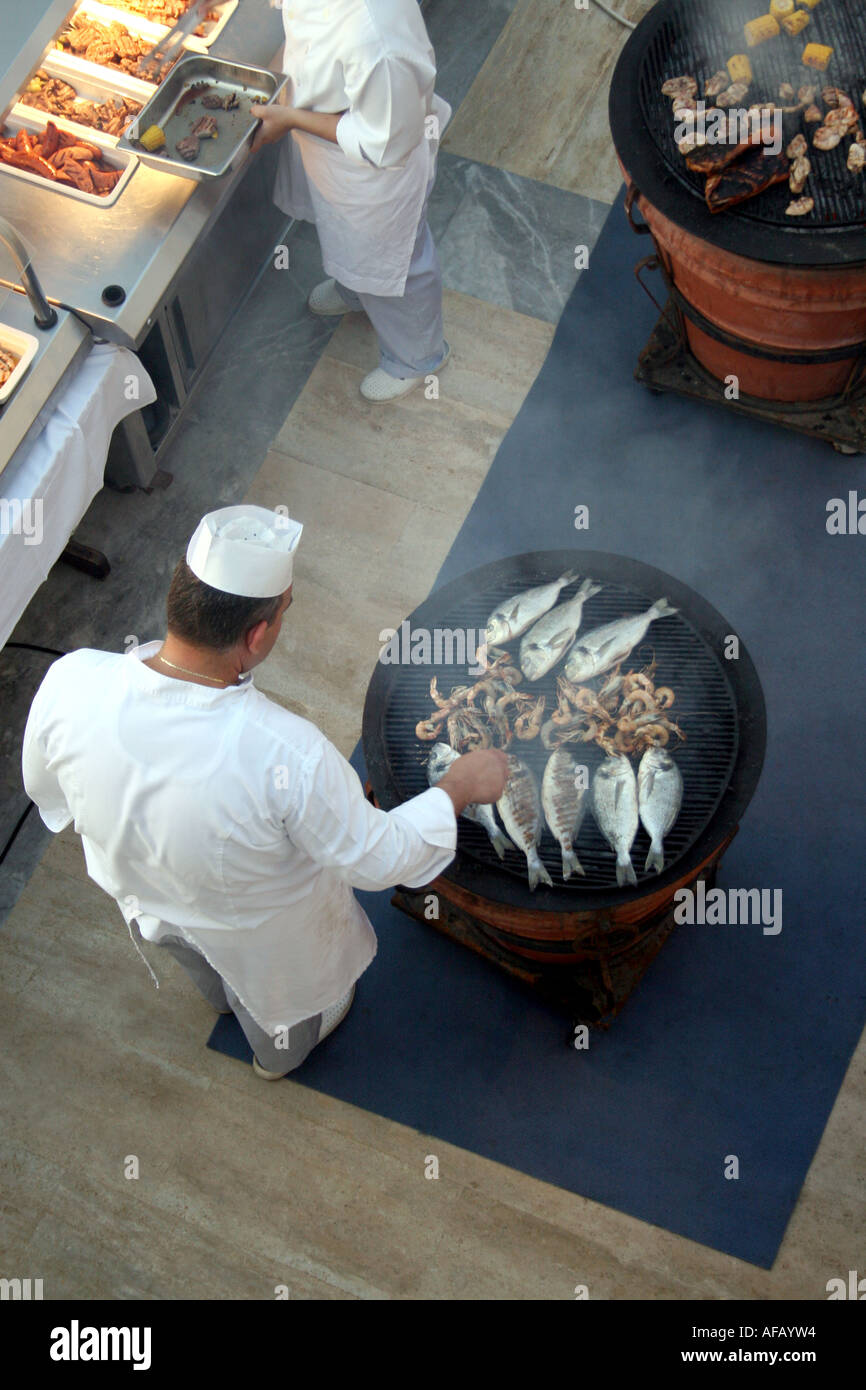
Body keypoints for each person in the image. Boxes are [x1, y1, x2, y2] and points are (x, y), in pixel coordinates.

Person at [22, 506, 508, 1080]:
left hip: (148, 902)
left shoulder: (73, 678)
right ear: (257, 635)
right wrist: (458, 786)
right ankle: (275, 1059)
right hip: (264, 943)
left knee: (203, 963)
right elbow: (380, 859)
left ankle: (222, 1000)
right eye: (284, 612)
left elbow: (45, 790)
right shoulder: (289, 754)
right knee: (275, 1019)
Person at [250, 0, 451, 403]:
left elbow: (388, 140)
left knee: (397, 262)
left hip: (375, 167)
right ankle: (358, 290)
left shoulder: (377, 38)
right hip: (332, 149)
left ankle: (418, 358)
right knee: (352, 244)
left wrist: (290, 119)